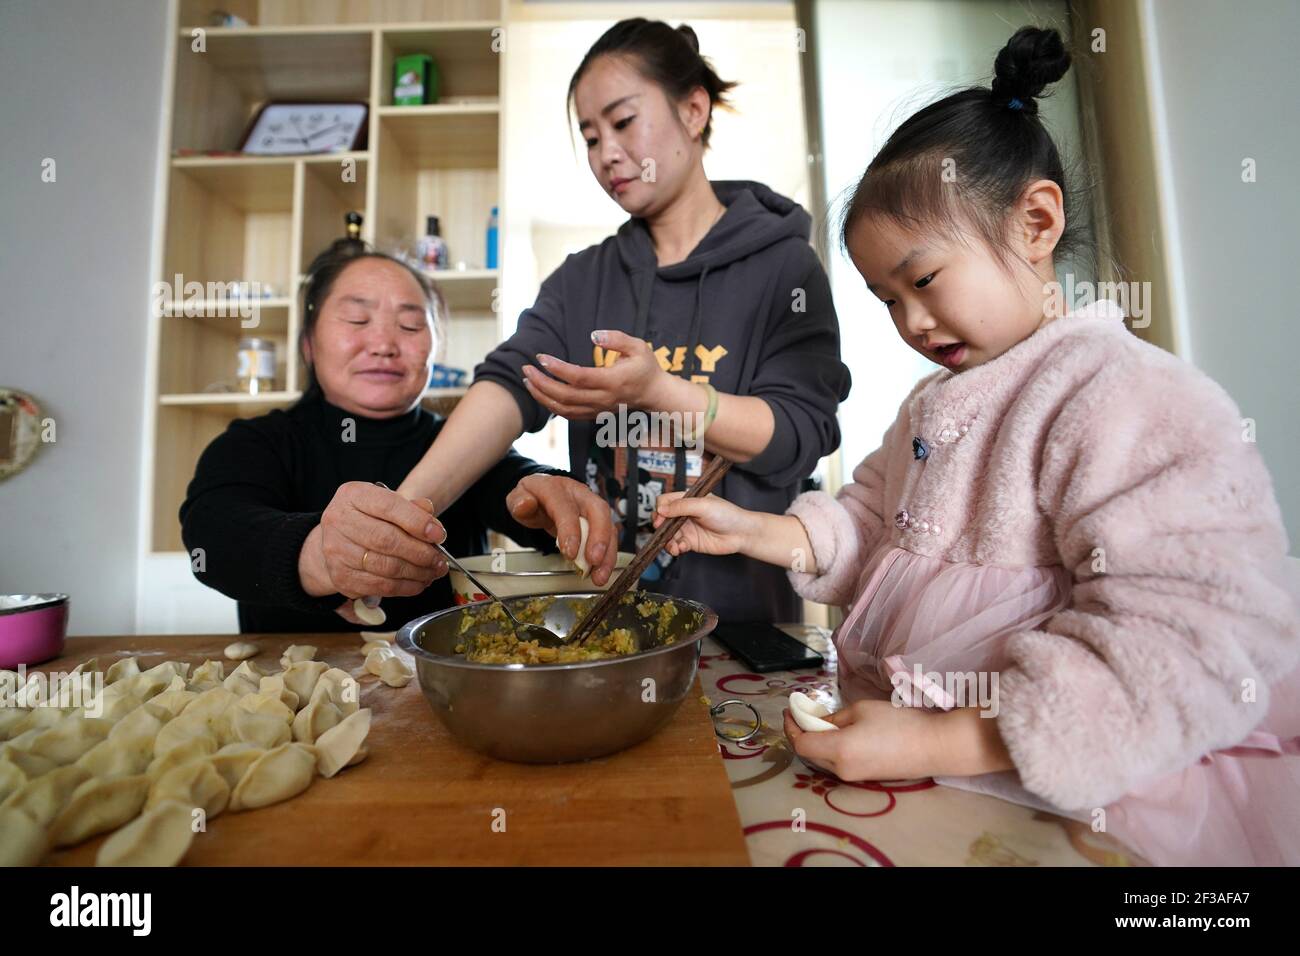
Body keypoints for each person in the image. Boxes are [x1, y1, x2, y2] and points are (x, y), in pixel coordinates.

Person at [654, 26, 1300, 865]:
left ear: (1036, 223)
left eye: (922, 280)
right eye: (887, 299)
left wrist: (935, 743)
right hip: (935, 789)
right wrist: (757, 533)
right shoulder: (931, 404)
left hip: (1086, 809)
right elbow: (867, 525)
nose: (911, 323)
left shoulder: (1121, 395)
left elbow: (1186, 646)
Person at [380, 17, 850, 624]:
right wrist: (407, 512)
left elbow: (795, 433)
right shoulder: (583, 280)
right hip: (610, 621)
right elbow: (507, 385)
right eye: (591, 136)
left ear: (694, 110)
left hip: (744, 631)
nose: (607, 155)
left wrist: (659, 391)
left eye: (623, 122)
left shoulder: (784, 266)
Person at [180, 240, 617, 633]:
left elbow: (508, 480)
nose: (384, 343)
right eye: (356, 319)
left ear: (435, 347)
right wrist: (318, 554)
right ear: (309, 343)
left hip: (438, 696)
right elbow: (214, 532)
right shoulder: (257, 443)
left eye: (410, 326)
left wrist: (544, 491)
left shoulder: (456, 444)